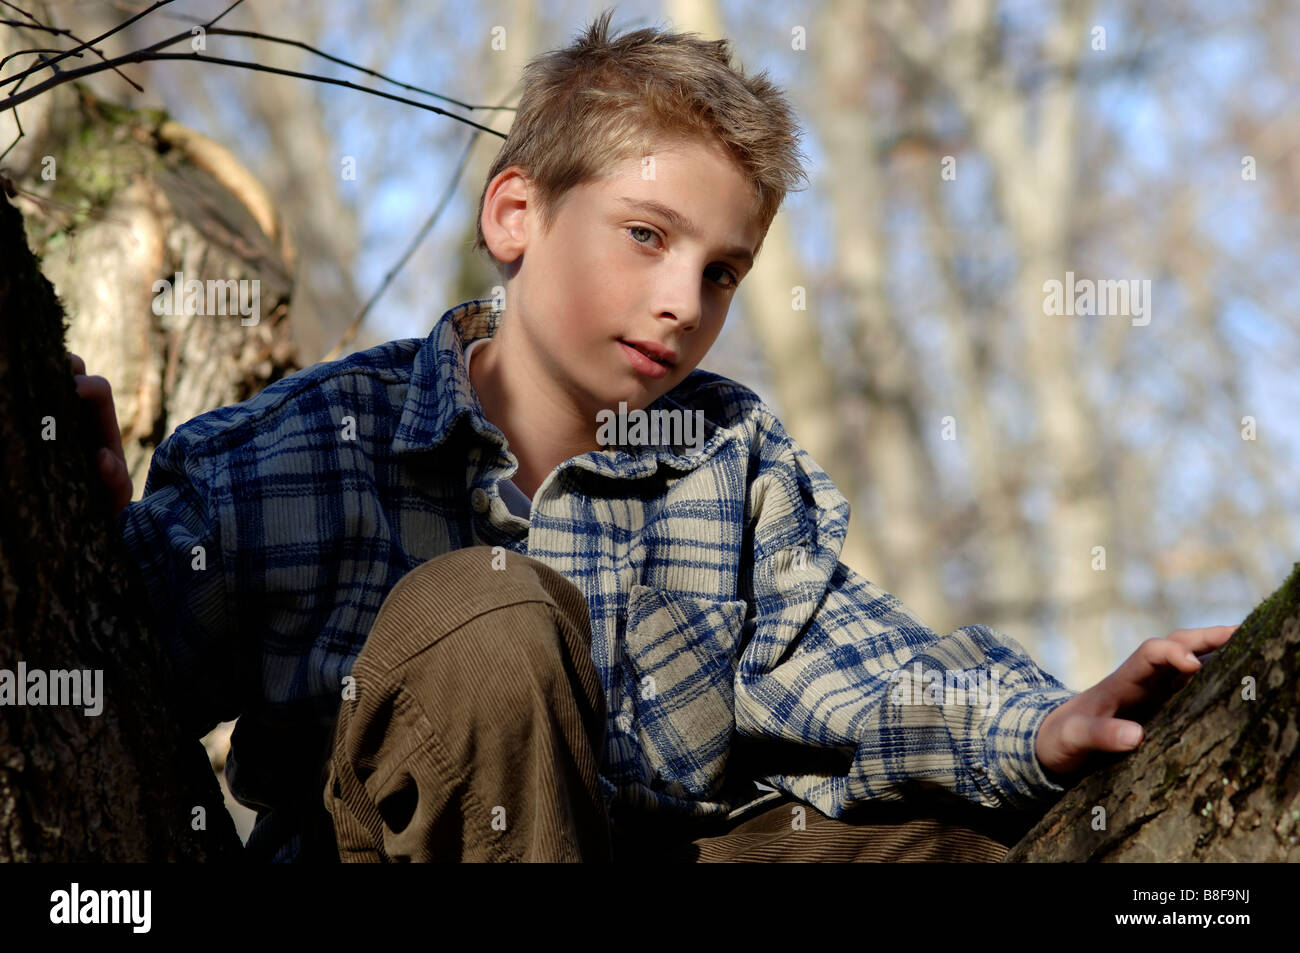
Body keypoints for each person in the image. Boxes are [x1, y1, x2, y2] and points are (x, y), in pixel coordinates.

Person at [70, 10, 1238, 862]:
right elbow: (116, 685)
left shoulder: (724, 456)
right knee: (492, 607)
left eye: (721, 269)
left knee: (960, 833)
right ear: (516, 214)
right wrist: (99, 544)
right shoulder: (305, 448)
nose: (684, 298)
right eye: (645, 235)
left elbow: (848, 670)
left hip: (660, 845)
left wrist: (1042, 722)